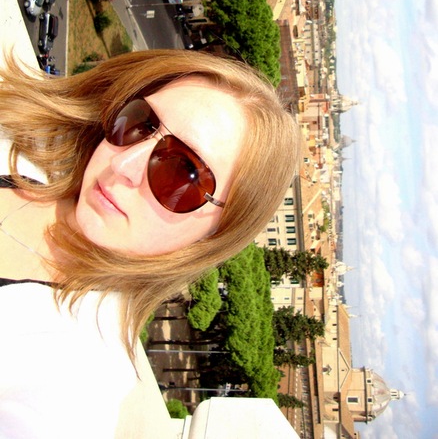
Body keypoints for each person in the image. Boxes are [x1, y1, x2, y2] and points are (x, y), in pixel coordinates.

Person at [0, 49, 300, 438]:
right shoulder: (22, 145)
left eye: (182, 173)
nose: (122, 165)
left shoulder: (75, 372)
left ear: (216, 234)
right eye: (140, 123)